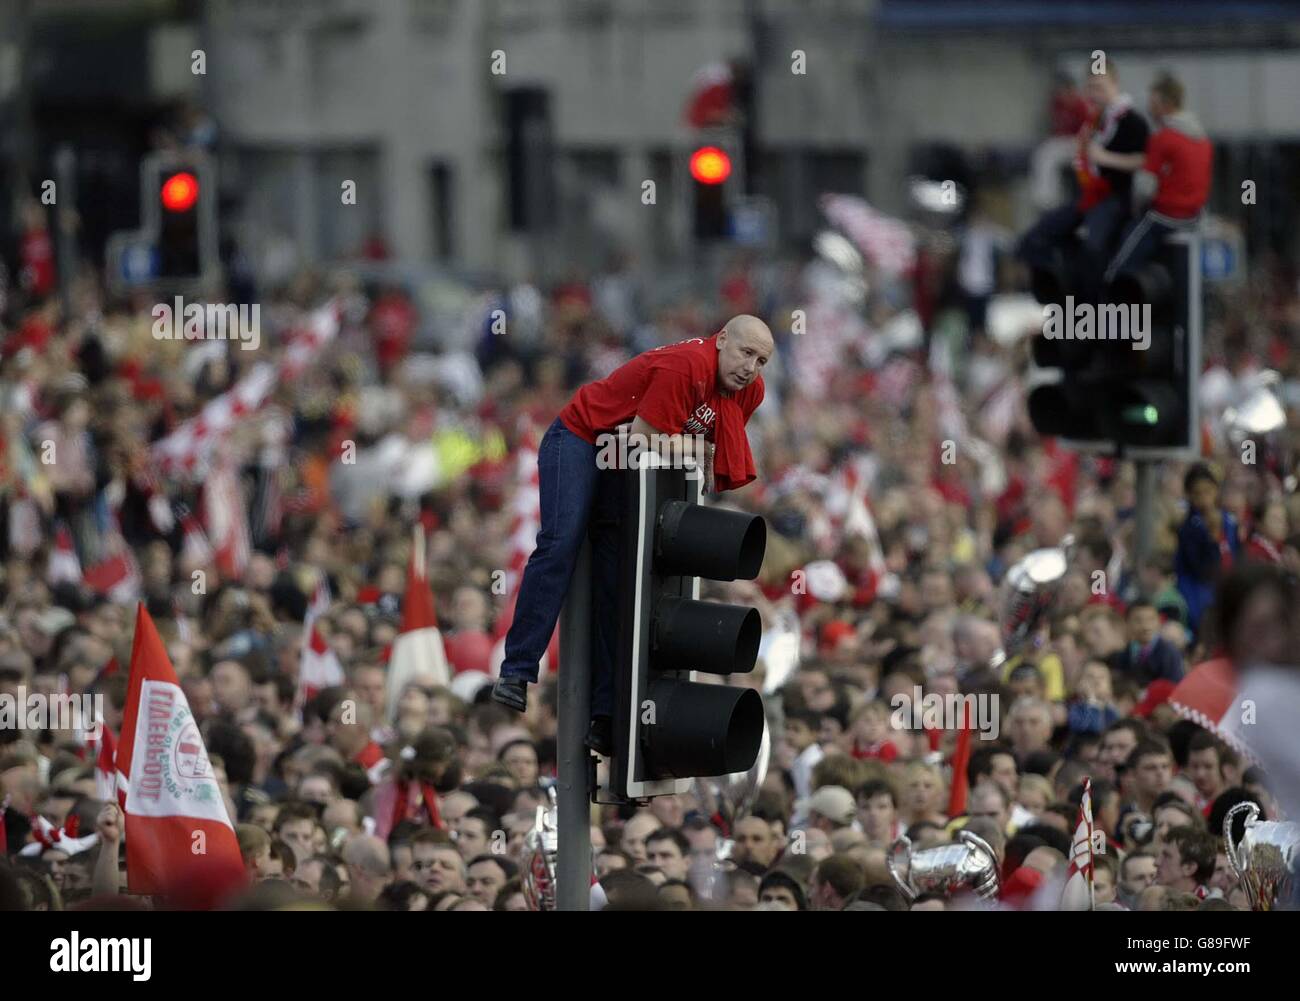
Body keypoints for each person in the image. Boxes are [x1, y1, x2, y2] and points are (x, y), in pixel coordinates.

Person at [491, 316, 773, 754]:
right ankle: (518, 668)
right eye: (745, 353)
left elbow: (702, 448)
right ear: (721, 342)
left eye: (761, 360)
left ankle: (604, 718)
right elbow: (645, 439)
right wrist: (696, 448)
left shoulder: (749, 391)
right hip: (584, 439)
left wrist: (694, 451)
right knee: (561, 542)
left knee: (618, 583)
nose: (751, 367)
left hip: (626, 468)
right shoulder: (686, 368)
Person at [1017, 58, 1149, 303]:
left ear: (1114, 83)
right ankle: (1063, 287)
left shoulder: (1132, 121)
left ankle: (1097, 303)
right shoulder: (1095, 121)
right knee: (1034, 238)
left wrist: (1105, 158)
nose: (1095, 94)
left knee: (1094, 246)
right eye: (1091, 88)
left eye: (1099, 87)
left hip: (1113, 197)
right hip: (1086, 196)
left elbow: (1142, 160)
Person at [1103, 71, 1213, 290]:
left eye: (1152, 102)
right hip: (1194, 220)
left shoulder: (1163, 138)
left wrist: (1134, 209)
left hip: (1165, 217)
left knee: (1118, 267)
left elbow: (1144, 187)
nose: (1149, 109)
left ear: (1164, 104)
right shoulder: (1202, 139)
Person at [1175, 464, 1240, 636]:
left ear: (1216, 490)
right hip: (1199, 591)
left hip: (1229, 584)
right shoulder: (1188, 529)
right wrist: (1212, 538)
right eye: (1198, 494)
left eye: (1208, 491)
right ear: (1189, 496)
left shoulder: (1230, 522)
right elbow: (1201, 570)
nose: (1204, 499)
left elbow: (1237, 554)